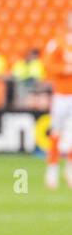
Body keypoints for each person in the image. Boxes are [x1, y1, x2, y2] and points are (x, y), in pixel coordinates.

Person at [47, 13, 72, 189]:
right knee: (56, 132)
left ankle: (69, 169)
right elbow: (48, 65)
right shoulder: (57, 42)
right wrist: (66, 68)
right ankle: (52, 169)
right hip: (61, 95)